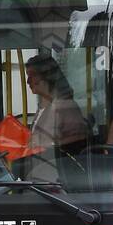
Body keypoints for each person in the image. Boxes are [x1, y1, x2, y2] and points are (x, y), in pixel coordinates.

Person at [24, 53, 88, 182]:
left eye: (32, 75)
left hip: (59, 177)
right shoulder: (44, 104)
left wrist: (51, 144)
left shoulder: (65, 106)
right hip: (41, 173)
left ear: (46, 75)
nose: (28, 81)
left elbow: (80, 139)